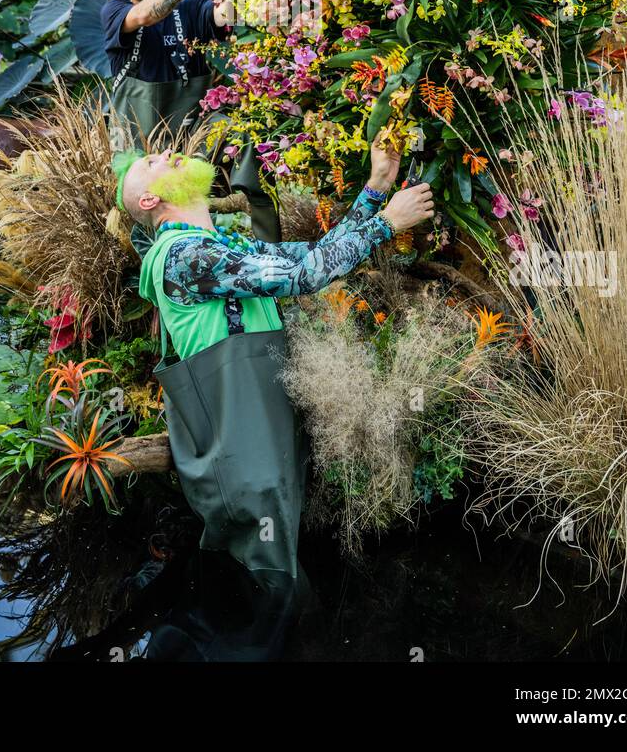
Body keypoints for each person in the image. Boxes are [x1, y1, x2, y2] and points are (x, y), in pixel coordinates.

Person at [115, 137, 434, 596]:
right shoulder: (187, 258)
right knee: (263, 581)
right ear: (151, 199)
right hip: (244, 447)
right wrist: (386, 223)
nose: (165, 154)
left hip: (262, 438)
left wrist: (376, 187)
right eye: (152, 161)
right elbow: (304, 279)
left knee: (271, 563)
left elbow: (313, 257)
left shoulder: (215, 246)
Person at [101, 0, 280, 240]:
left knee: (248, 142)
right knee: (147, 215)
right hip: (143, 148)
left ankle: (271, 251)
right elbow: (145, 14)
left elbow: (227, 15)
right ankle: (164, 273)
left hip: (195, 129)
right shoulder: (115, 13)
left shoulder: (191, 9)